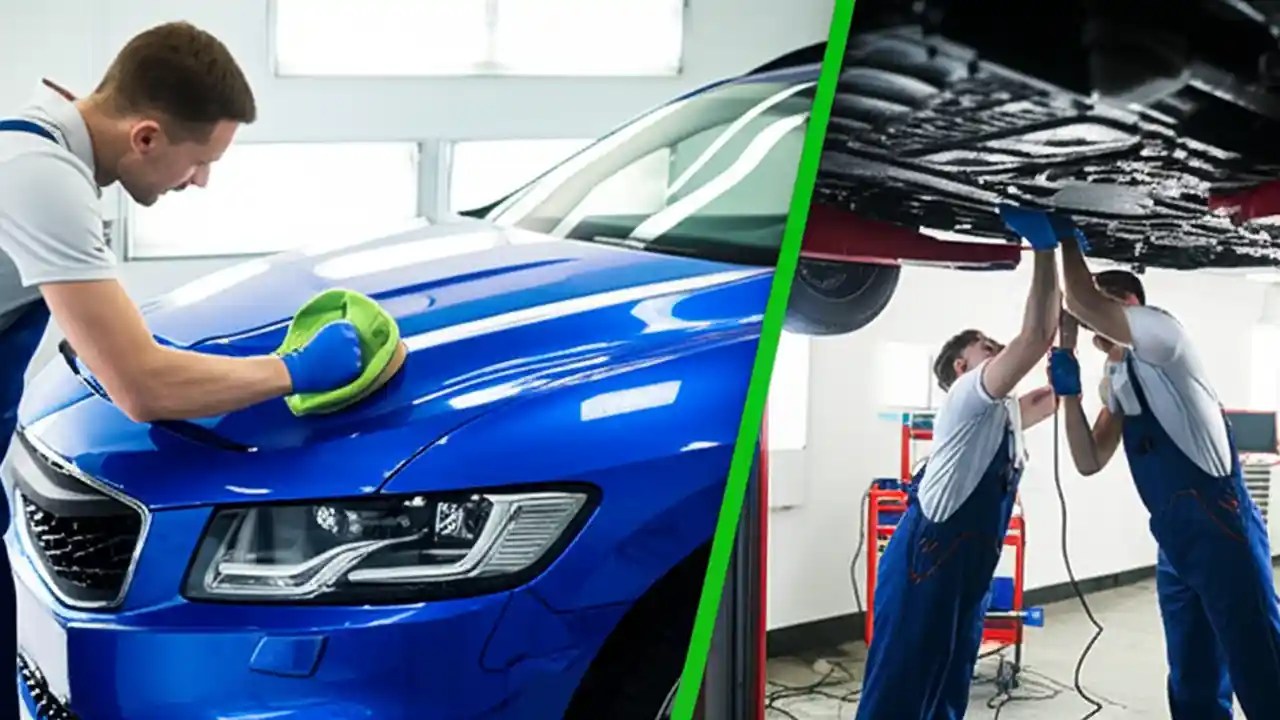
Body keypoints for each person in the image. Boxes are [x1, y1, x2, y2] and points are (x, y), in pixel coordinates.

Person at [0, 19, 362, 700]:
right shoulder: (43, 180)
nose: (199, 183)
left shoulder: (47, 130)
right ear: (146, 137)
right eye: (202, 161)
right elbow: (144, 387)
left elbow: (99, 336)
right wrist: (294, 370)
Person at [1038, 210, 1280, 720]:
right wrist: (1069, 392)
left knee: (1260, 664)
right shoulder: (1119, 378)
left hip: (1222, 530)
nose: (1086, 324)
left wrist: (1061, 234)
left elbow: (1080, 297)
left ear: (1127, 305)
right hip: (1176, 541)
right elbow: (1088, 459)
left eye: (1094, 314)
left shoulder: (1163, 337)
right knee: (1191, 676)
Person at [854, 205, 1062, 719]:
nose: (998, 350)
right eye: (987, 346)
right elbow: (1034, 339)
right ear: (961, 366)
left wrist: (1073, 324)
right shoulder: (970, 395)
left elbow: (1053, 391)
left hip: (966, 571)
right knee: (900, 695)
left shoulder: (1004, 414)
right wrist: (1044, 248)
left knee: (948, 690)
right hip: (926, 566)